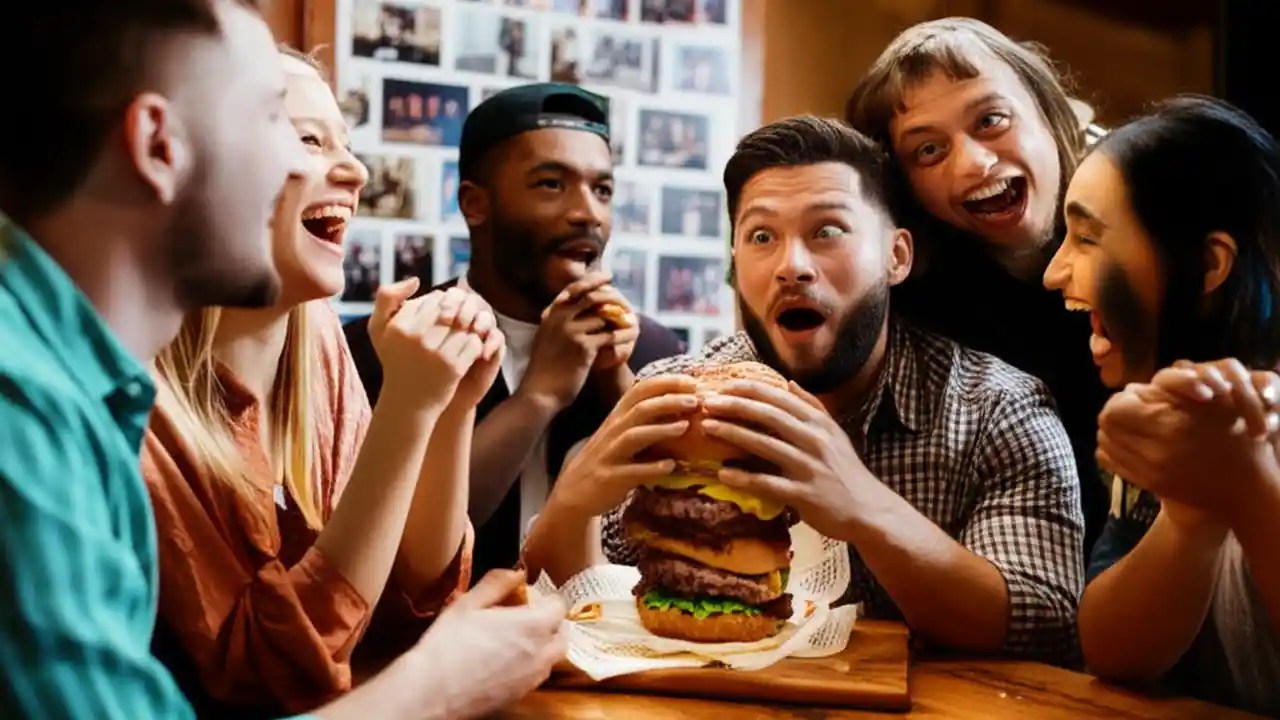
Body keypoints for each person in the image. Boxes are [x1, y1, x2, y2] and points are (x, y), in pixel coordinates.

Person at [0, 4, 564, 719]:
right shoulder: (23, 409)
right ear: (157, 145)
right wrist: (437, 689)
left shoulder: (89, 388)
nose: (333, 168)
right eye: (276, 123)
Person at [523, 116, 1084, 663]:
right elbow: (588, 604)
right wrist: (571, 506)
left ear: (897, 256)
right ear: (736, 261)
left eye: (827, 231)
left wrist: (863, 505)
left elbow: (1043, 623)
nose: (792, 266)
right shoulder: (674, 400)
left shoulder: (999, 412)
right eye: (762, 236)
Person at [141, 46, 500, 717]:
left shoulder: (319, 339)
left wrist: (448, 406)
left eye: (346, 142)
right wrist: (409, 408)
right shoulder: (134, 395)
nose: (357, 171)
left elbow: (405, 605)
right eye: (307, 138)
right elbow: (272, 682)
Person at [344, 83, 683, 580]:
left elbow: (686, 520)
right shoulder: (393, 345)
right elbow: (398, 547)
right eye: (551, 184)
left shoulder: (652, 349)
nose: (587, 212)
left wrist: (618, 387)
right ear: (475, 205)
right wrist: (539, 395)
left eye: (602, 190)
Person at [1044, 96, 1280, 716]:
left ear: (1207, 264)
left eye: (1088, 237)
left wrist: (1249, 488)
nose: (1054, 271)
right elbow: (1113, 654)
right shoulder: (1161, 419)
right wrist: (1189, 516)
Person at [846, 17, 1112, 555]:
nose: (973, 162)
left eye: (991, 120)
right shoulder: (915, 311)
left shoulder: (1152, 230)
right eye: (928, 150)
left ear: (1046, 109)